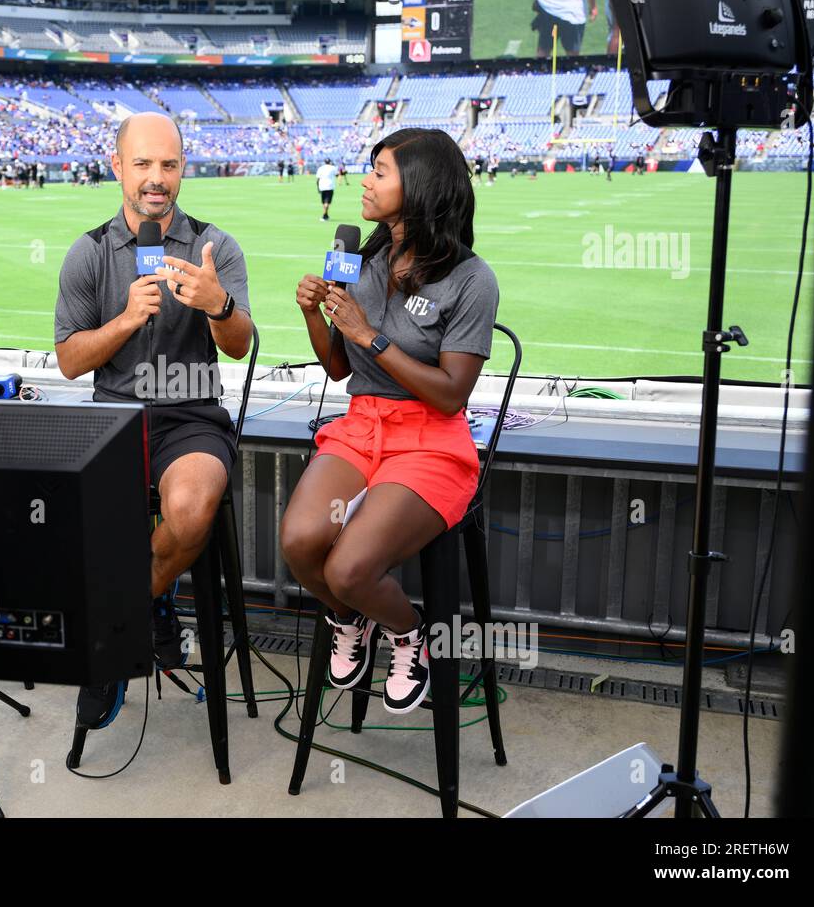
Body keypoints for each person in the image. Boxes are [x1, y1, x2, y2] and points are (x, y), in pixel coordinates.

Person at [280, 128, 498, 714]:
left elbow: (452, 396)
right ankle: (355, 620)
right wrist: (315, 316)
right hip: (361, 426)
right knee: (301, 542)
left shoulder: (472, 278)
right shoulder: (362, 255)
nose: (365, 181)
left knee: (350, 567)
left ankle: (408, 634)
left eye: (380, 171)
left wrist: (367, 335)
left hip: (429, 440)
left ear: (420, 185)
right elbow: (336, 368)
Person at [53, 112, 253, 729]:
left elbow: (240, 345)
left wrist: (216, 304)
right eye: (142, 163)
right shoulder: (89, 251)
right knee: (64, 526)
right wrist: (123, 321)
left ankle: (116, 632)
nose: (155, 178)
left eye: (167, 164)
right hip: (114, 423)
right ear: (118, 168)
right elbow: (66, 361)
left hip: (191, 417)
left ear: (183, 168)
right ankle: (155, 596)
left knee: (191, 511)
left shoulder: (214, 245)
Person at [533, 0, 598, 58]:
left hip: (549, 8)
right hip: (573, 12)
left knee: (543, 50)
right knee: (572, 55)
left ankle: (538, 71)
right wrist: (593, 7)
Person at [316, 157, 338, 222]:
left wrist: (318, 188)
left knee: (324, 202)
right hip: (330, 186)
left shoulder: (321, 168)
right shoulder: (333, 168)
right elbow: (337, 175)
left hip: (322, 186)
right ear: (330, 162)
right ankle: (325, 215)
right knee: (327, 202)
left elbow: (317, 179)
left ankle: (326, 214)